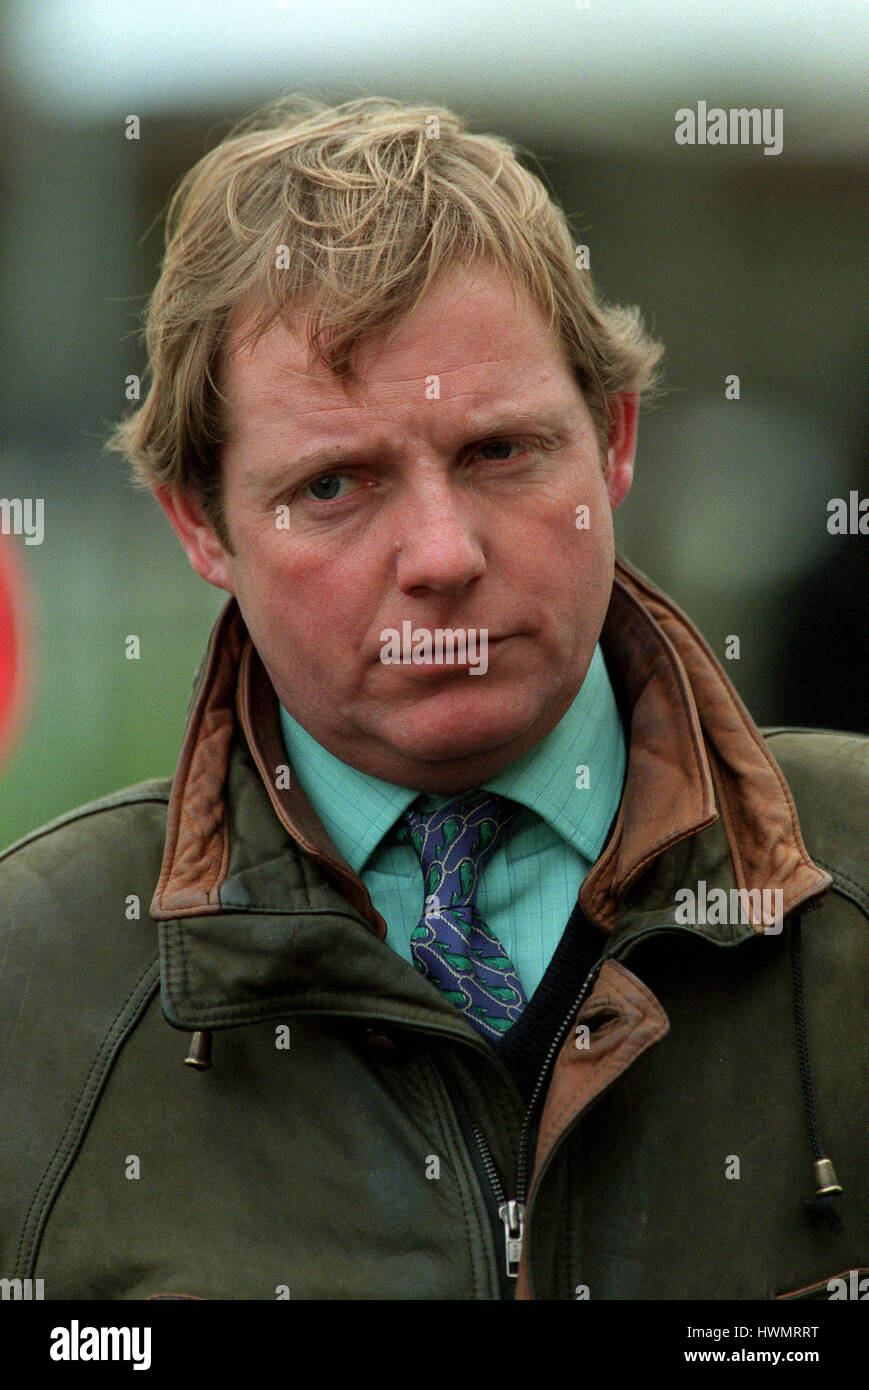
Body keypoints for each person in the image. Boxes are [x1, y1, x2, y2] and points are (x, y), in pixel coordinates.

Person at [1, 96, 866, 1302]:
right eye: (336, 484)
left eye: (498, 453)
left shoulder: (853, 885)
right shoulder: (33, 985)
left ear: (612, 442)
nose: (441, 552)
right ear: (200, 525)